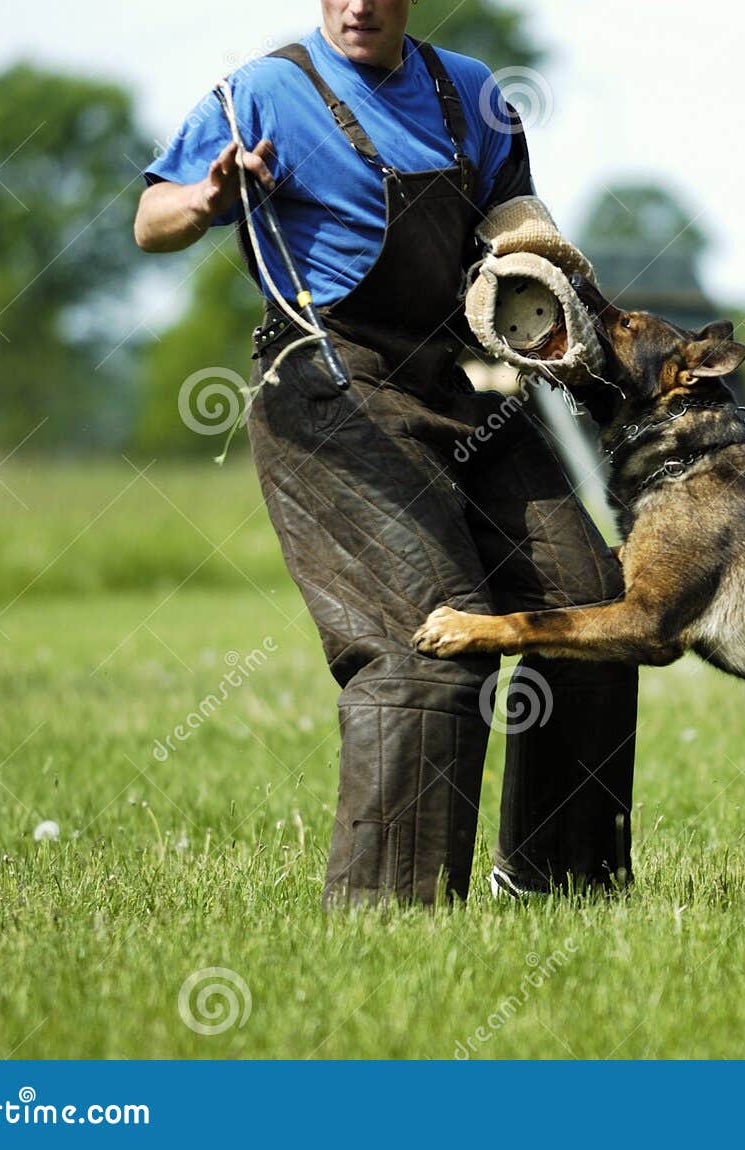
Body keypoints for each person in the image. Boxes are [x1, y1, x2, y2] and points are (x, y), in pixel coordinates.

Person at [135, 0, 637, 905]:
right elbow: (151, 218)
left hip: (458, 383)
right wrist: (210, 199)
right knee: (430, 642)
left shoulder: (471, 92)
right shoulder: (260, 92)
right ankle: (388, 917)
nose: (359, 4)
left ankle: (559, 889)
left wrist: (541, 278)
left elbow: (515, 216)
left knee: (592, 607)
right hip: (330, 386)